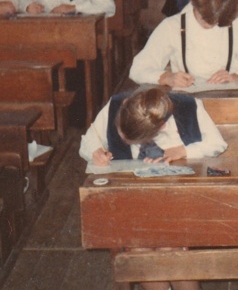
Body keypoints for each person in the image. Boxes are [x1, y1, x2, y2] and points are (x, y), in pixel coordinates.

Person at [80, 86, 226, 290]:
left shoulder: (189, 107)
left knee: (170, 247)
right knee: (140, 249)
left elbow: (217, 144)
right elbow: (88, 141)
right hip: (131, 201)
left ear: (162, 127)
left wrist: (184, 150)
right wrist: (95, 152)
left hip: (177, 201)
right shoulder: (116, 104)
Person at [130, 0, 238, 89]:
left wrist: (236, 77)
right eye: (204, 19)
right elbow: (137, 69)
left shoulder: (237, 25)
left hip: (227, 99)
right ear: (195, 2)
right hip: (187, 100)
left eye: (217, 22)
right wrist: (166, 77)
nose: (209, 26)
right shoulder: (172, 26)